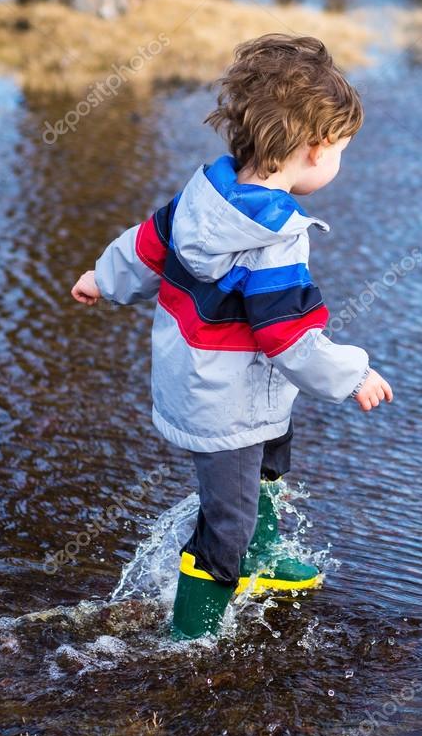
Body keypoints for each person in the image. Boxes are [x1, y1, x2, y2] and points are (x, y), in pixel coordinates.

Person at [71, 33, 393, 636]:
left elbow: (147, 244)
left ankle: (265, 562)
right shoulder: (276, 238)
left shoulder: (207, 192)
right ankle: (190, 635)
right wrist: (354, 374)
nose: (341, 161)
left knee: (273, 453)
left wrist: (103, 279)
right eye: (343, 149)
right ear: (316, 149)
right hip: (227, 398)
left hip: (205, 375)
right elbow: (289, 339)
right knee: (227, 519)